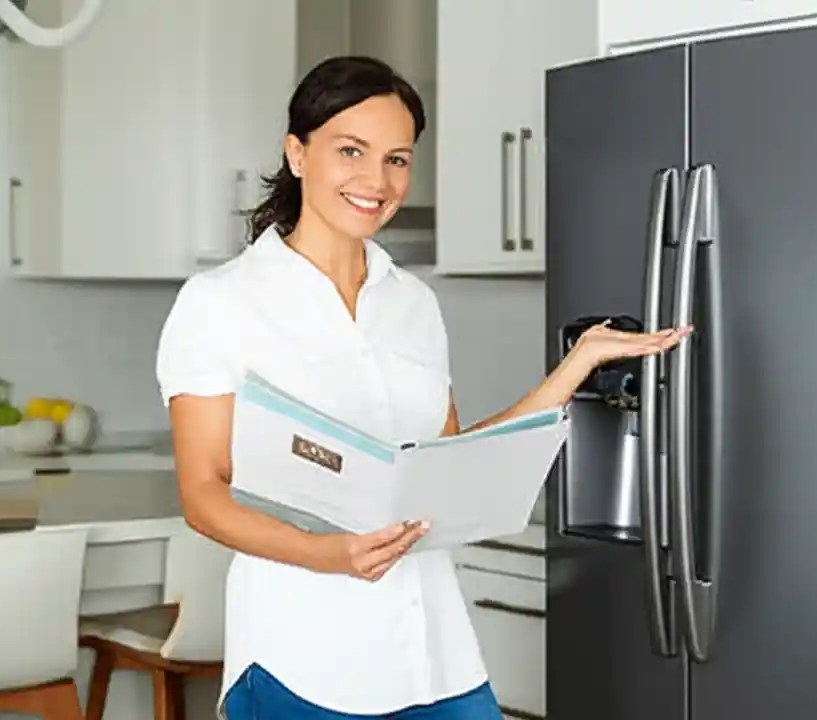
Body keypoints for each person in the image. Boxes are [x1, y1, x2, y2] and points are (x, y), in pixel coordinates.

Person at [155, 56, 689, 719]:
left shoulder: (412, 304)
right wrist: (330, 556)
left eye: (397, 159)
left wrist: (576, 367)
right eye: (351, 150)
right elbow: (204, 495)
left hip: (435, 655)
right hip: (302, 660)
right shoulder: (220, 303)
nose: (376, 180)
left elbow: (451, 468)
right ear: (297, 153)